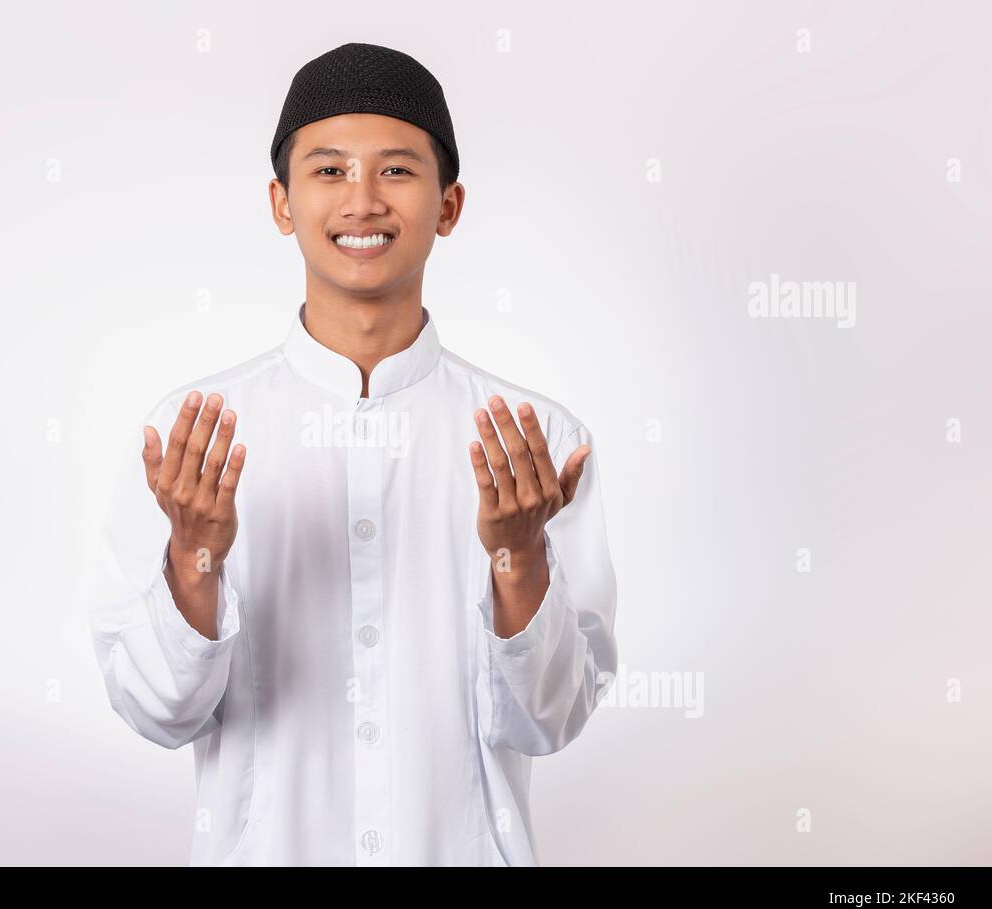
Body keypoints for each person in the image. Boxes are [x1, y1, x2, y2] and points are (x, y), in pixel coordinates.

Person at [88, 41, 618, 866]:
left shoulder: (537, 443)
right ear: (281, 202)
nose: (362, 201)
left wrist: (519, 561)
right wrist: (193, 559)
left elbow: (551, 721)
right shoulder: (193, 436)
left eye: (398, 171)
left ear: (449, 204)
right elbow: (159, 712)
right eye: (329, 171)